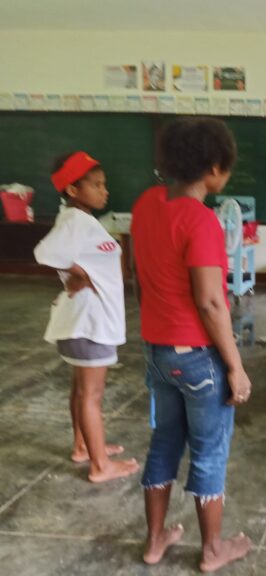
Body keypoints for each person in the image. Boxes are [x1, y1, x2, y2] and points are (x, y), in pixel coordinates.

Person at [131, 117, 252, 571]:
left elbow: (138, 275)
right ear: (215, 168)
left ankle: (155, 540)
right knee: (209, 450)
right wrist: (235, 367)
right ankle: (212, 549)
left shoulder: (145, 204)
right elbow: (211, 303)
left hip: (156, 352)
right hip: (198, 359)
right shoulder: (202, 222)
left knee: (164, 443)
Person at [34, 151, 140, 483]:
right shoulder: (76, 220)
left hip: (85, 321)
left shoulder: (79, 219)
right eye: (95, 185)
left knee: (82, 392)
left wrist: (80, 270)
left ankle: (83, 446)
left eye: (103, 184)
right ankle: (99, 466)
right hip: (89, 323)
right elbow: (45, 253)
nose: (103, 191)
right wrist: (79, 272)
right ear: (72, 190)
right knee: (91, 396)